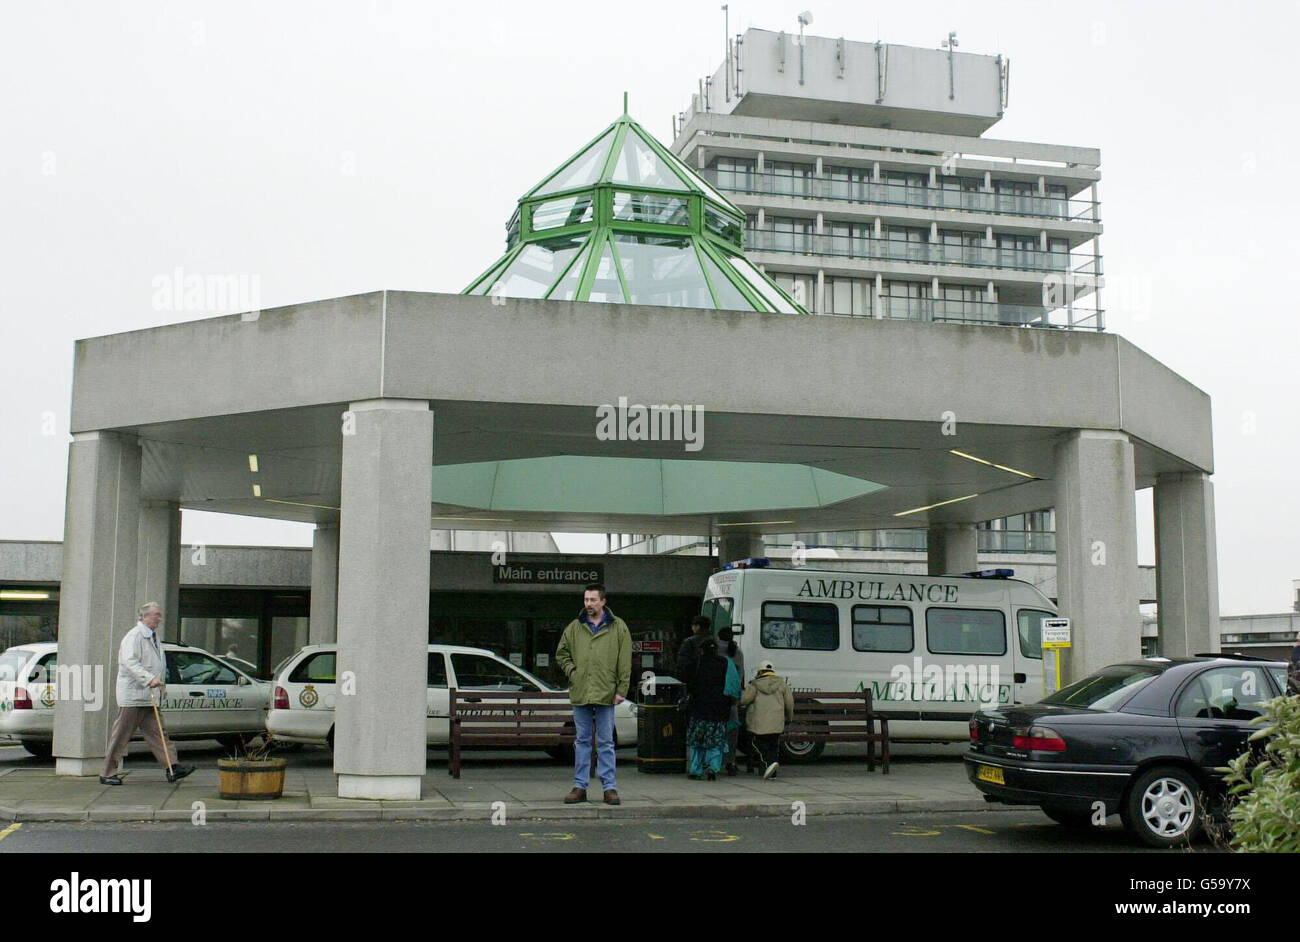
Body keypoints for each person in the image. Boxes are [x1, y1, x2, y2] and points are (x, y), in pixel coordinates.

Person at [99, 602, 195, 785]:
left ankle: (172, 767)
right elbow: (130, 662)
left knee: (159, 734)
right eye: (156, 615)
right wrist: (149, 679)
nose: (159, 618)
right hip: (134, 696)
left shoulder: (153, 637)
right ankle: (106, 772)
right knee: (120, 735)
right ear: (144, 617)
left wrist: (157, 684)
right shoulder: (134, 636)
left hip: (148, 696)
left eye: (159, 615)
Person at [555, 583, 631, 805]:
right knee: (582, 741)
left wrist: (621, 690)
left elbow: (624, 662)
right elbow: (561, 653)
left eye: (593, 600)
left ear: (603, 601)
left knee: (606, 742)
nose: (588, 604)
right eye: (586, 600)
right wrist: (572, 671)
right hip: (582, 691)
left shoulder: (619, 627)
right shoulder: (574, 627)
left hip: (607, 691)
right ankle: (580, 786)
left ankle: (610, 788)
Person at [685, 637, 741, 780]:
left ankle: (696, 770)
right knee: (716, 741)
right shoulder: (726, 662)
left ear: (701, 649)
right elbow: (734, 686)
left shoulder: (696, 662)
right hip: (720, 709)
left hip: (699, 708)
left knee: (696, 742)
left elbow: (688, 683)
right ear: (716, 649)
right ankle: (713, 769)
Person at [739, 660, 794, 779]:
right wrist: (789, 717)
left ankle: (769, 763)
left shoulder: (754, 685)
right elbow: (789, 703)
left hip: (758, 723)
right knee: (773, 745)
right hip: (776, 723)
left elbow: (744, 700)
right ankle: (772, 770)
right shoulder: (781, 684)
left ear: (760, 671)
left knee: (757, 743)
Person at [717, 625, 744, 776]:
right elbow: (740, 675)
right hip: (731, 698)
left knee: (715, 729)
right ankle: (731, 761)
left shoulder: (713, 649)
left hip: (715, 696)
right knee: (732, 730)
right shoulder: (737, 652)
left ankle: (714, 761)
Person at [675, 614, 712, 682]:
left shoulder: (689, 642)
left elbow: (681, 665)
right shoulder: (714, 642)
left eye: (692, 626)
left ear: (697, 626)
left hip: (694, 682)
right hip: (711, 683)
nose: (692, 628)